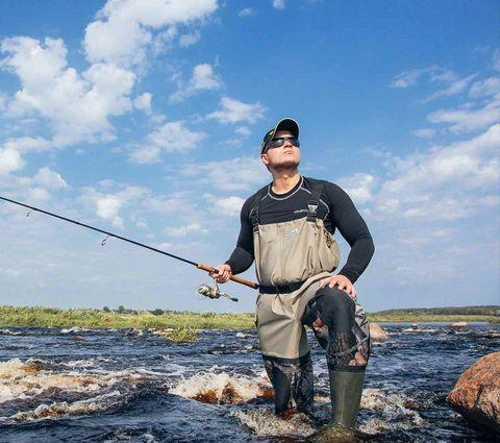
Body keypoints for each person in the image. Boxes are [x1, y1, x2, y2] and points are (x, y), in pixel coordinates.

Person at [212, 118, 375, 436]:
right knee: (291, 416)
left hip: (316, 287)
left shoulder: (326, 192)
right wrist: (229, 267)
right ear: (265, 159)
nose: (288, 143)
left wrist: (347, 276)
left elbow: (363, 240)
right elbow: (245, 251)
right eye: (278, 141)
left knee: (341, 306)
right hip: (273, 302)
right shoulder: (253, 206)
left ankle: (342, 429)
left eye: (293, 140)